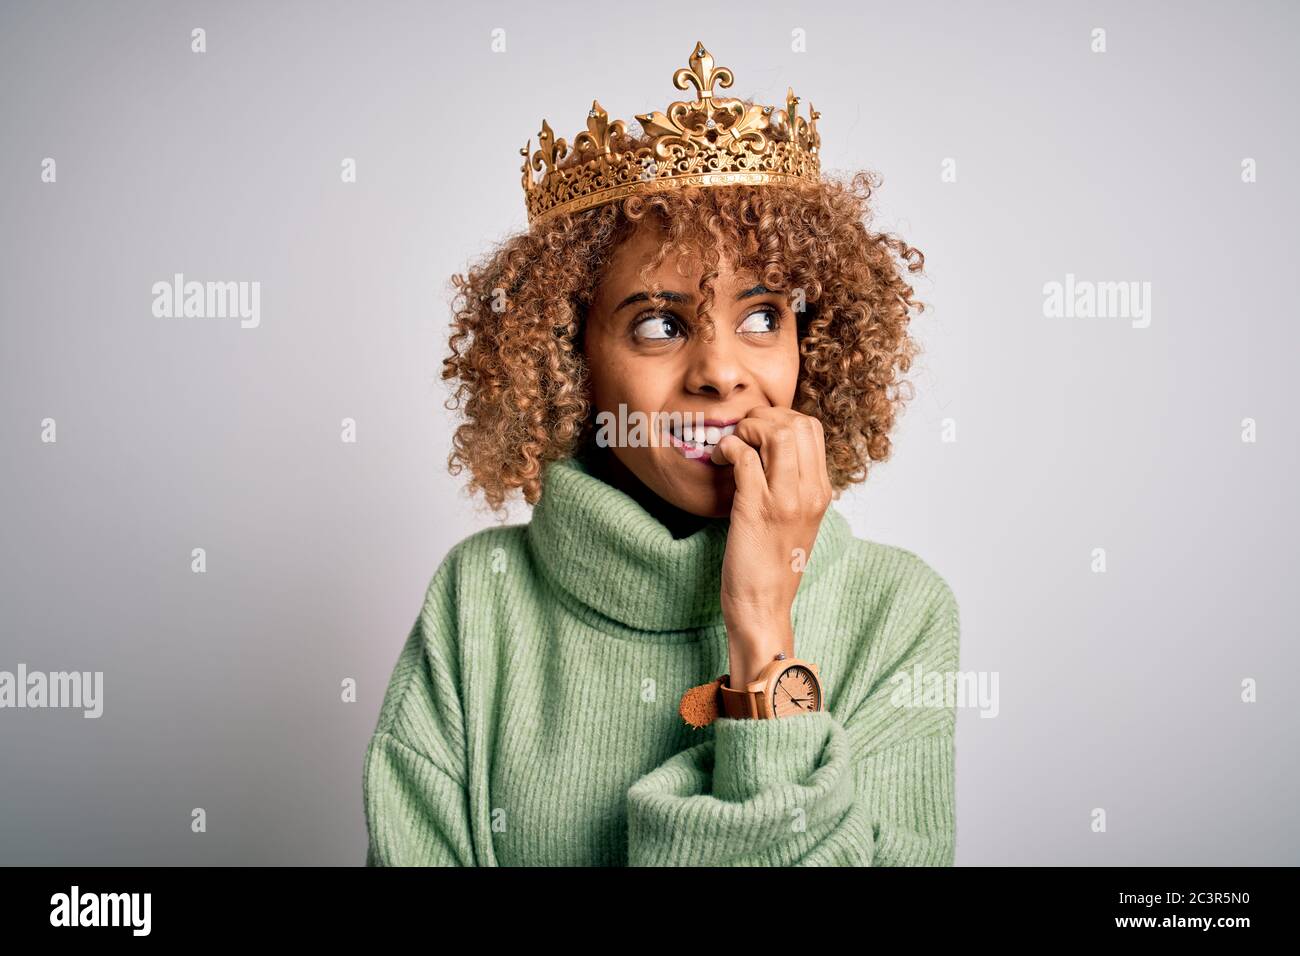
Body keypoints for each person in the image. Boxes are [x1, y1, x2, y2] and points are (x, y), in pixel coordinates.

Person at [363, 40, 960, 866]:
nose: (721, 372)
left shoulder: (898, 612)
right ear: (571, 361)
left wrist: (761, 636)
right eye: (658, 324)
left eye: (762, 318)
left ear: (809, 342)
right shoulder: (478, 601)